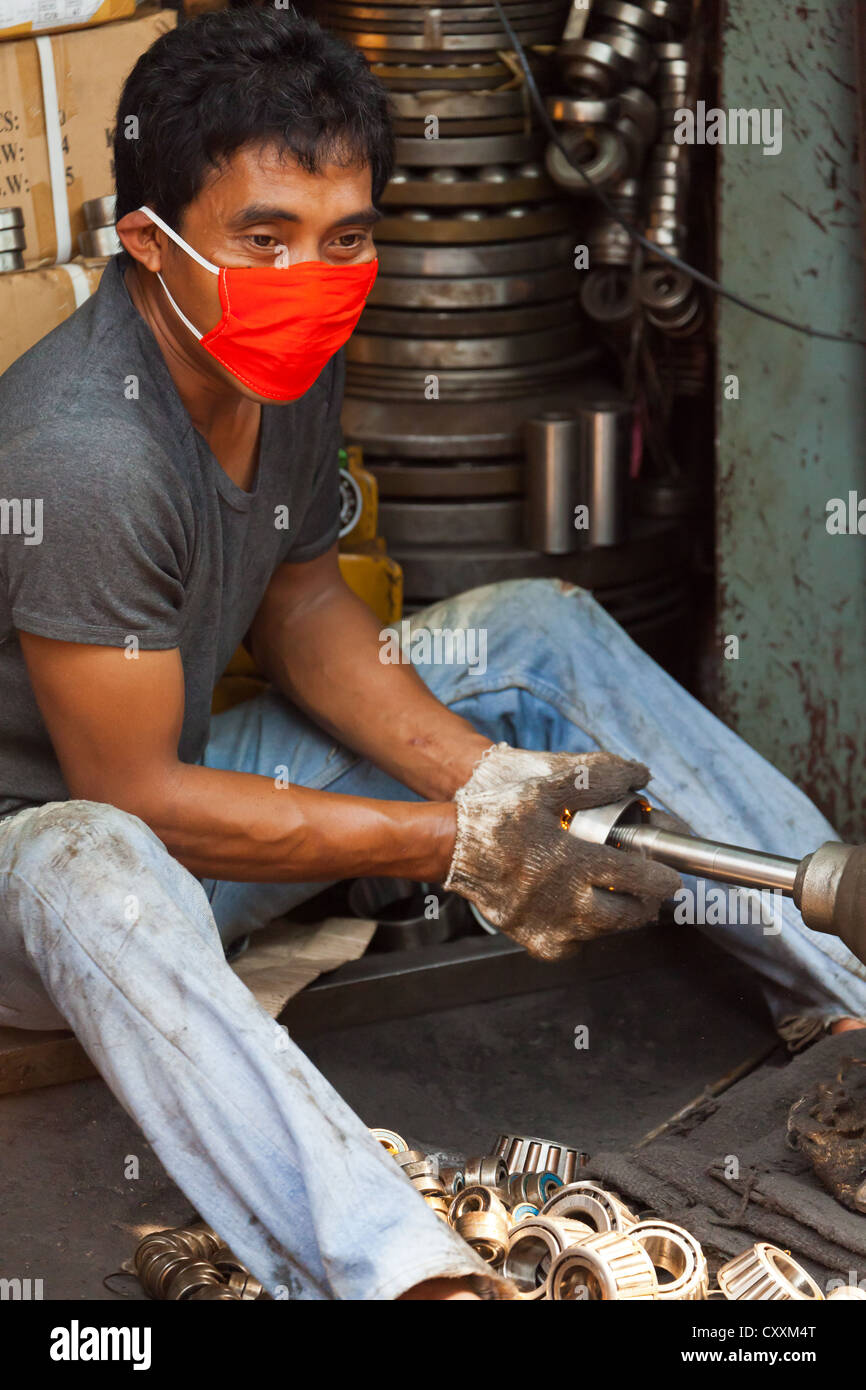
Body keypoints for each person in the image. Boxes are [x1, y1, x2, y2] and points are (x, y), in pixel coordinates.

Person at [0, 9, 862, 1301]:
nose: (316, 271)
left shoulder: (277, 362)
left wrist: (487, 776)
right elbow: (131, 793)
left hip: (177, 782)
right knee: (94, 854)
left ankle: (846, 995)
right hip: (46, 873)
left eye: (345, 237)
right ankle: (401, 1276)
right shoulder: (84, 453)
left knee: (529, 625)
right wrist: (451, 838)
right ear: (149, 241)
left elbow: (300, 614)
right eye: (266, 238)